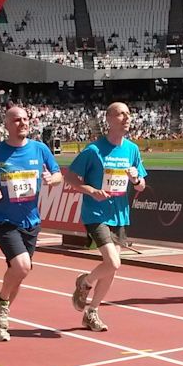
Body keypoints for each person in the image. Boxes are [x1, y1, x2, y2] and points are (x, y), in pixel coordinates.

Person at [0, 105, 62, 342]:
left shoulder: (40, 149)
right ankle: (1, 303)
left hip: (30, 219)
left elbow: (58, 174)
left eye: (25, 119)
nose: (22, 123)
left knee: (19, 273)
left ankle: (0, 317)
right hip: (2, 218)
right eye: (17, 120)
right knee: (21, 266)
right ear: (7, 125)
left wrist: (52, 178)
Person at [63, 102, 146, 332]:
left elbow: (141, 186)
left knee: (112, 268)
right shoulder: (94, 150)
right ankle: (85, 282)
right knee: (113, 262)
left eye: (128, 114)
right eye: (121, 114)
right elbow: (70, 177)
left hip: (119, 214)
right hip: (96, 213)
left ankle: (92, 311)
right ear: (108, 119)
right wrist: (91, 191)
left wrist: (136, 179)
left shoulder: (132, 150)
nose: (126, 118)